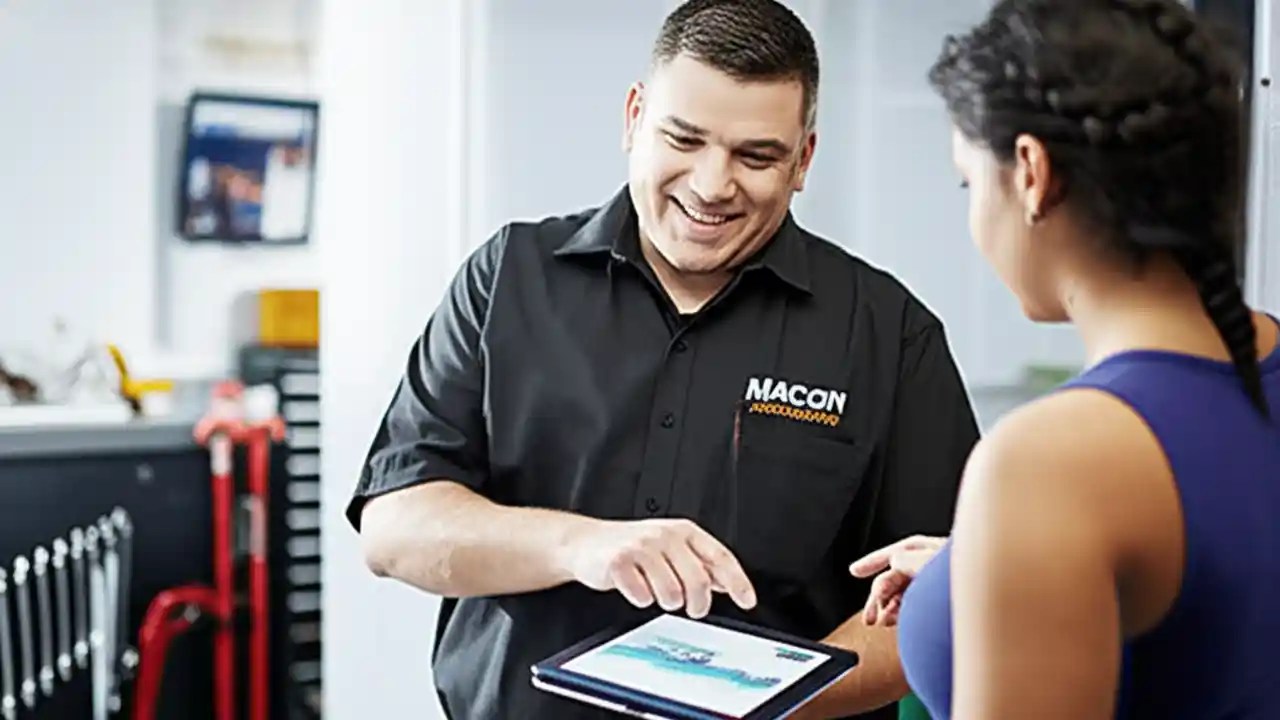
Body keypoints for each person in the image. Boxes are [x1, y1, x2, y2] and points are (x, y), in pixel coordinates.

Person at [346, 1, 980, 718]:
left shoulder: (888, 333)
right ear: (634, 118)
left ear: (803, 160)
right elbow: (395, 529)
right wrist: (579, 545)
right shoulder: (507, 279)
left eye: (755, 156)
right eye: (684, 139)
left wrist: (762, 708)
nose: (711, 185)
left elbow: (943, 600)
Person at [851, 1, 1280, 718]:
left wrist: (1027, 520)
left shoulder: (1052, 466)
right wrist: (993, 561)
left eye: (968, 183)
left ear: (1031, 173)